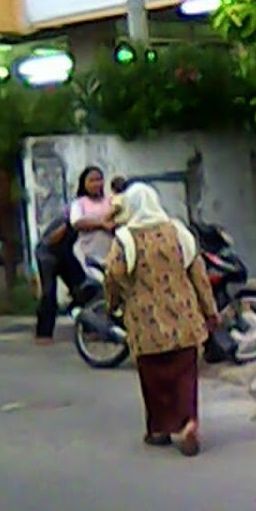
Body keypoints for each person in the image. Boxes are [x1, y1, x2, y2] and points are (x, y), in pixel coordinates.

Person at [104, 184, 220, 457]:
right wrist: (210, 311)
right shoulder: (179, 232)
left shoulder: (125, 239)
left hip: (146, 323)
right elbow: (199, 276)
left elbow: (112, 275)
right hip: (184, 318)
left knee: (153, 376)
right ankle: (188, 422)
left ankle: (159, 430)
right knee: (185, 375)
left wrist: (114, 304)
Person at [32, 215, 85, 346]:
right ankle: (43, 333)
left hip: (65, 253)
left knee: (82, 286)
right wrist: (66, 226)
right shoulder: (68, 219)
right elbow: (50, 240)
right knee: (49, 292)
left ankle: (86, 325)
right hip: (47, 254)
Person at [69, 166, 116, 263]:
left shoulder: (111, 200)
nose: (96, 184)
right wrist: (101, 224)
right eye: (91, 181)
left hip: (112, 253)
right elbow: (76, 223)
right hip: (89, 255)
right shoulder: (79, 203)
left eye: (99, 180)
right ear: (84, 183)